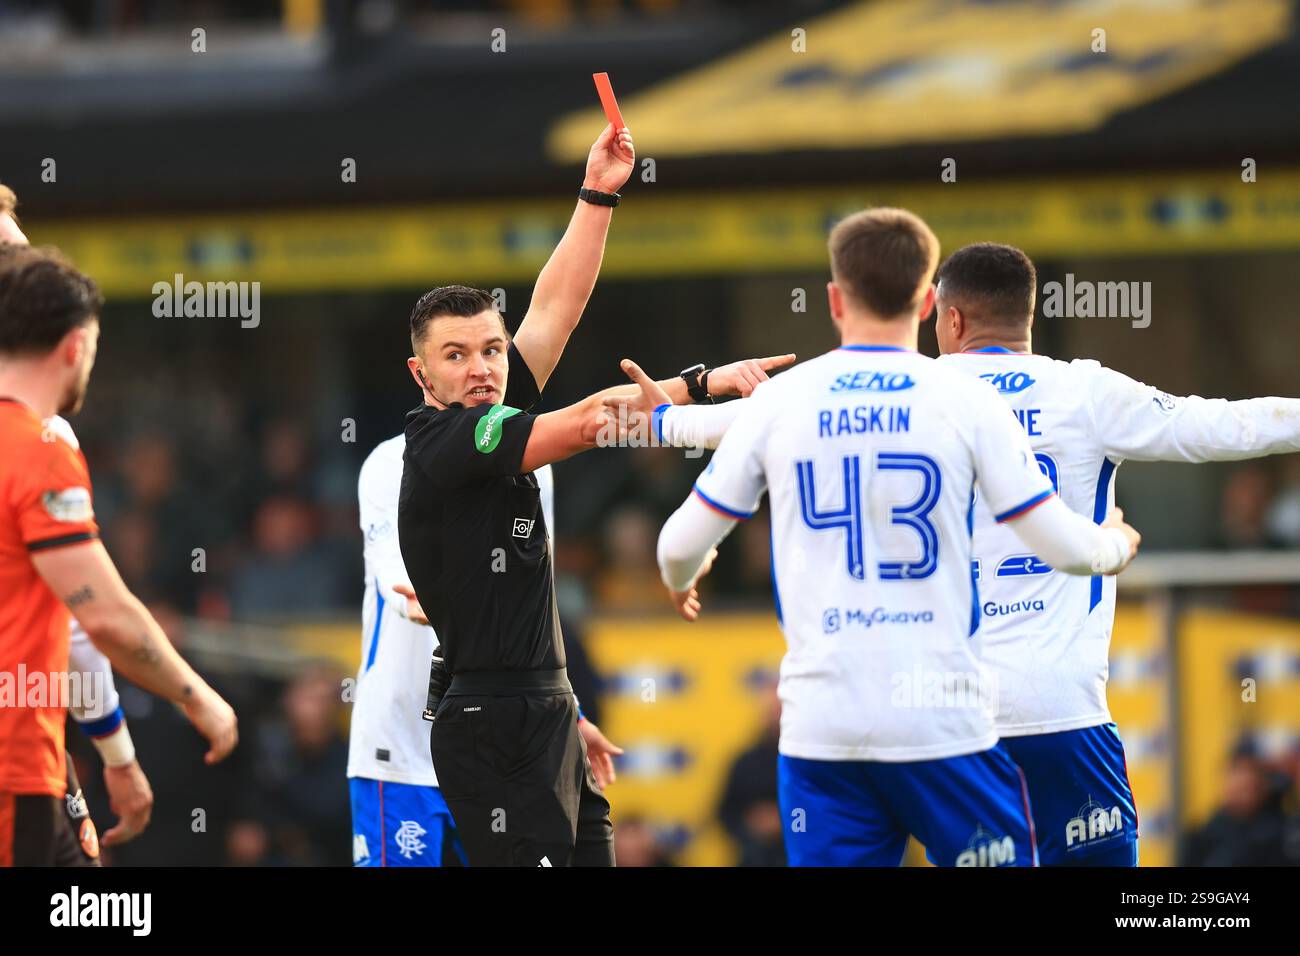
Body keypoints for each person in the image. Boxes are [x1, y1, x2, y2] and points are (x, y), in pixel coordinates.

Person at [650, 207, 1140, 866]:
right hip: (939, 723)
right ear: (929, 301)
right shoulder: (967, 402)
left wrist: (686, 576)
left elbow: (678, 545)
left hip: (824, 730)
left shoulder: (783, 400)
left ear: (833, 299)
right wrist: (1116, 541)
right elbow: (1068, 549)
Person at [930, 241, 1300, 865]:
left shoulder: (912, 394)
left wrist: (699, 398)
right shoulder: (1083, 391)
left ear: (954, 319)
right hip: (1061, 707)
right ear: (1029, 312)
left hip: (949, 717)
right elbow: (1218, 427)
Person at [0, 243, 237, 866]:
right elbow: (100, 615)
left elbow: (70, 628)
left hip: (42, 760)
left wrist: (116, 756)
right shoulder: (40, 445)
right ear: (76, 346)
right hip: (12, 764)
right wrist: (197, 696)